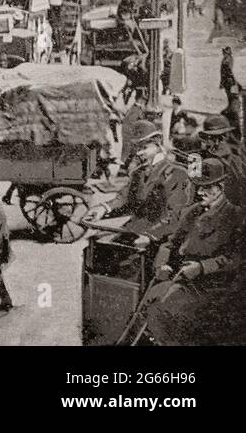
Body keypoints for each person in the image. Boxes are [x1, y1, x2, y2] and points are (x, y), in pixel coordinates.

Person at [126, 159, 246, 345]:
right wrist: (163, 264)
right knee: (149, 298)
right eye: (198, 187)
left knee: (164, 306)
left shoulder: (235, 216)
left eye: (206, 188)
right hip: (183, 279)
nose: (199, 192)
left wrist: (201, 267)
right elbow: (171, 243)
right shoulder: (193, 211)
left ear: (221, 187)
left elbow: (236, 258)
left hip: (214, 287)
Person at [103, 119, 190, 238]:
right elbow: (124, 197)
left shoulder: (177, 173)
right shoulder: (138, 173)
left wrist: (150, 235)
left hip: (160, 235)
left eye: (144, 147)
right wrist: (104, 208)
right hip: (136, 228)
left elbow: (175, 216)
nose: (139, 153)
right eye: (137, 149)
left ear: (158, 145)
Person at [197, 114, 246, 206]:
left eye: (221, 137)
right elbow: (192, 186)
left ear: (227, 136)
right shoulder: (197, 157)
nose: (217, 142)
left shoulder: (236, 159)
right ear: (206, 138)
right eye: (212, 137)